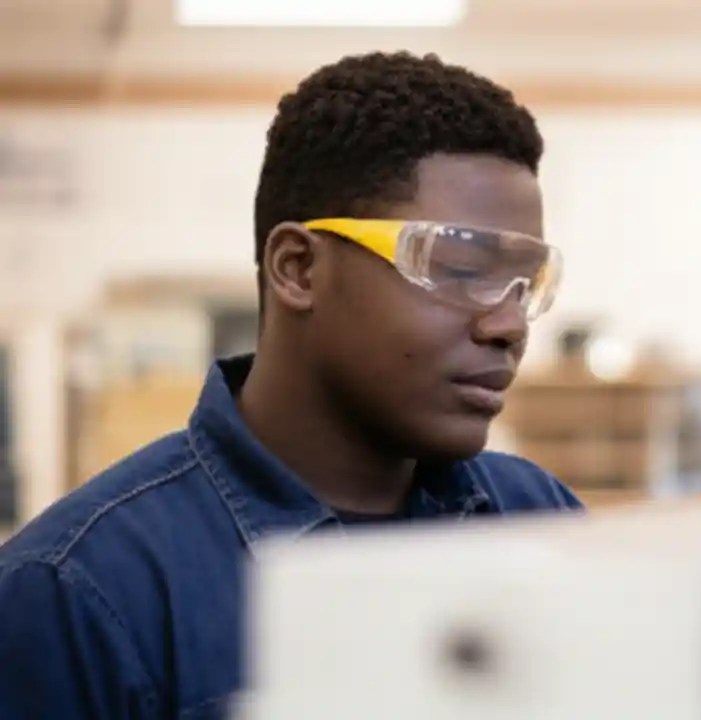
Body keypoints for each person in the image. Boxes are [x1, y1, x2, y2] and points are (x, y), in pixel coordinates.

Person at [0, 52, 582, 718]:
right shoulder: (78, 592)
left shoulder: (538, 521)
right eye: (457, 267)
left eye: (524, 283)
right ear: (298, 269)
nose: (508, 323)